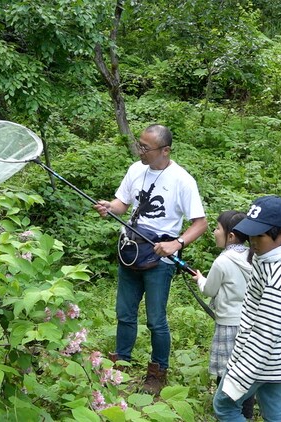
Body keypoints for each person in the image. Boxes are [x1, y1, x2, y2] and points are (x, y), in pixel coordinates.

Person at [93, 124, 207, 395]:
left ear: (165, 151)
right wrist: (110, 207)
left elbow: (200, 223)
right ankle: (120, 362)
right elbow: (123, 203)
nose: (140, 151)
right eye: (139, 145)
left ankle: (157, 371)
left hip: (159, 259)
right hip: (130, 251)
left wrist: (176, 243)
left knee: (156, 319)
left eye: (146, 147)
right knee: (125, 313)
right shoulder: (135, 170)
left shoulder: (182, 180)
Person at [213, 195, 281, 422]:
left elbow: (266, 331)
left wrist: (241, 374)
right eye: (251, 234)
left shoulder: (278, 275)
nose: (253, 241)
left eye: (260, 236)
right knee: (275, 413)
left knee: (224, 406)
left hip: (260, 358)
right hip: (278, 359)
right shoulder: (275, 256)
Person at [191, 210, 256, 420]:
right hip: (250, 324)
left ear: (230, 236)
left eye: (217, 227)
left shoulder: (223, 261)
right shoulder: (254, 257)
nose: (214, 231)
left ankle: (227, 413)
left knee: (226, 373)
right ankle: (246, 412)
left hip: (228, 324)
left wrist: (201, 278)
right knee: (245, 371)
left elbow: (209, 290)